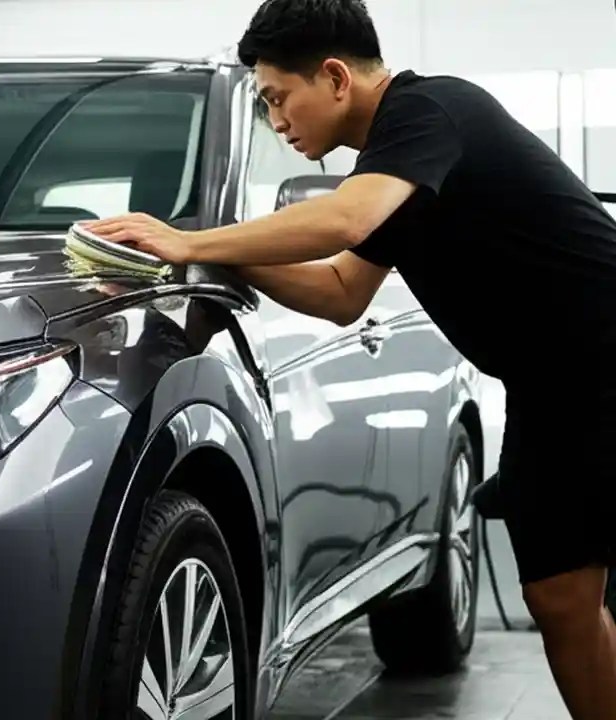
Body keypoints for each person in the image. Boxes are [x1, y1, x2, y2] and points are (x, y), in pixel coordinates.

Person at [81, 0, 616, 717]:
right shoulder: (393, 166)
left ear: (334, 76)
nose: (277, 121)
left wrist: (191, 241)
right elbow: (340, 290)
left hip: (604, 360)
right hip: (555, 385)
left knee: (571, 593)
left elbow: (344, 219)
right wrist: (214, 267)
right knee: (559, 595)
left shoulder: (432, 112)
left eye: (278, 98)